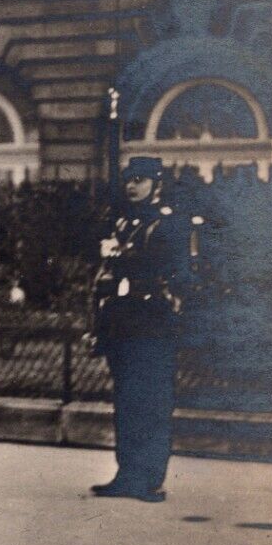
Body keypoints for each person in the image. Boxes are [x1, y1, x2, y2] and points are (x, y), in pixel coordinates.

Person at [89, 156, 193, 503]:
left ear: (156, 184)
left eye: (141, 181)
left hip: (153, 322)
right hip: (122, 321)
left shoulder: (169, 223)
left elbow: (177, 272)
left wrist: (126, 258)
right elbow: (107, 272)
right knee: (126, 401)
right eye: (130, 180)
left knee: (152, 402)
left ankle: (150, 479)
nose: (133, 187)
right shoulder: (122, 223)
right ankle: (126, 473)